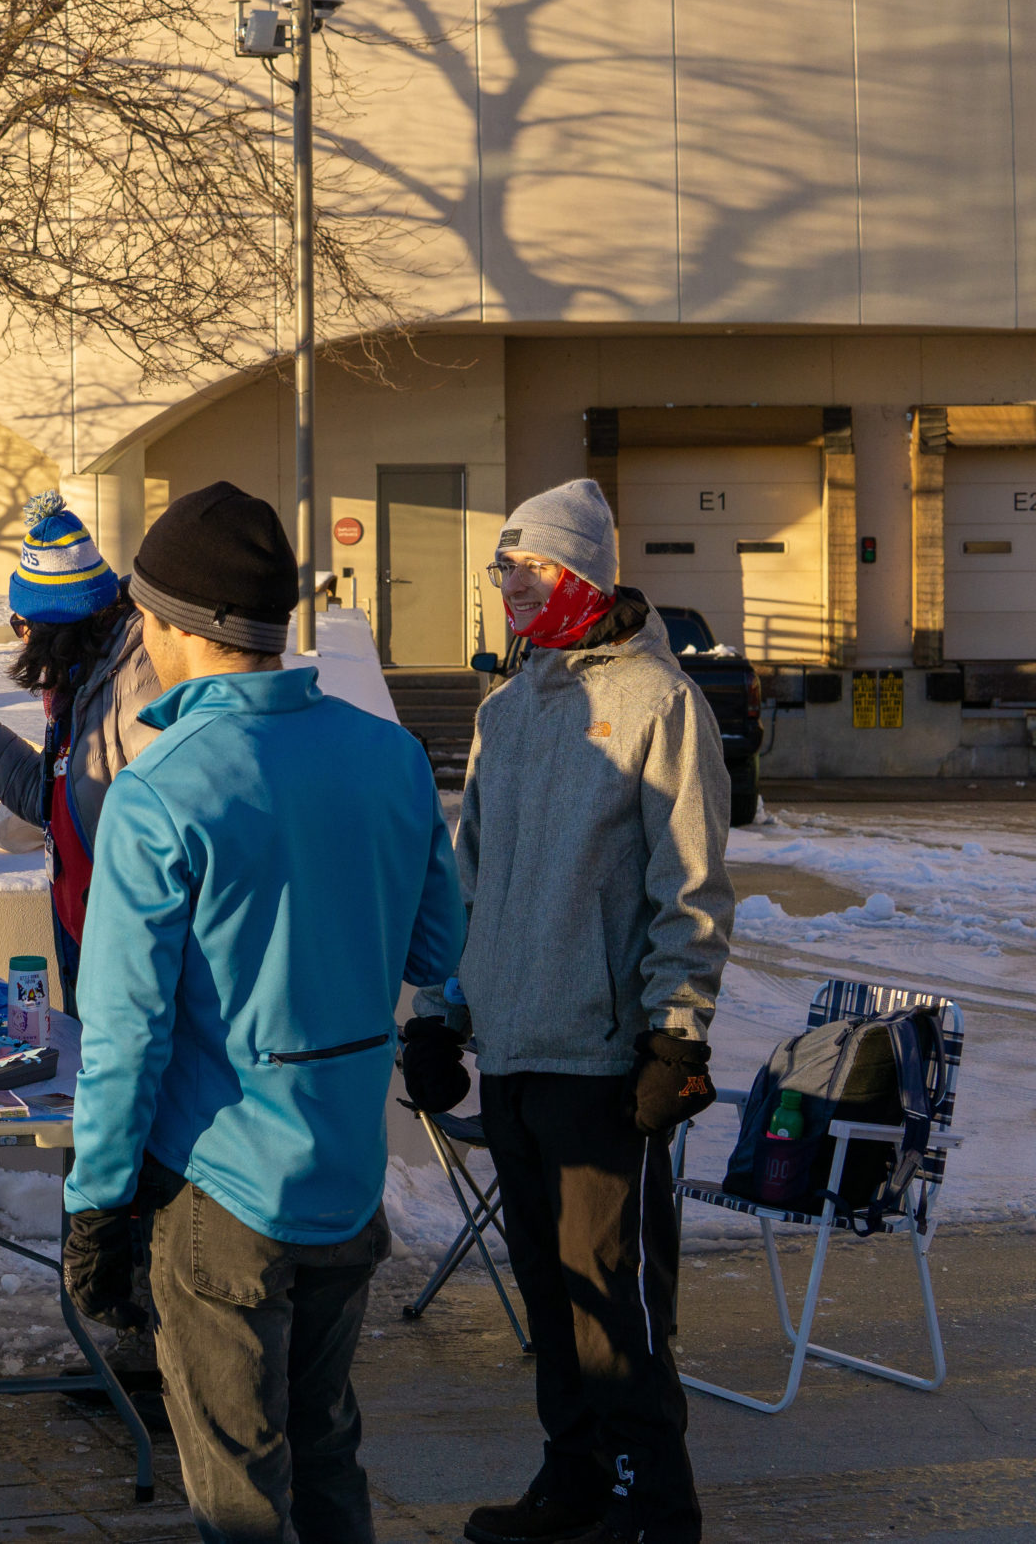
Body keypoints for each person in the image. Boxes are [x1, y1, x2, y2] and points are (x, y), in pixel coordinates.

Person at [60, 481, 464, 1544]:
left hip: (218, 1187)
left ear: (166, 623)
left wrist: (96, 1206)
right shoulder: (389, 757)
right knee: (328, 1444)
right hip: (345, 1171)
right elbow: (438, 950)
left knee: (238, 1492)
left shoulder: (160, 791)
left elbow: (125, 1033)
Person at [401, 478, 731, 1544]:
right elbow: (473, 875)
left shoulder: (656, 705)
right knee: (549, 1295)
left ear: (583, 575)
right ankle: (576, 1479)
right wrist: (442, 1012)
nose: (509, 590)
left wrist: (675, 1033)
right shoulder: (509, 707)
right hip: (514, 1052)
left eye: (527, 570)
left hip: (601, 1059)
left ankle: (651, 1499)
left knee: (615, 1295)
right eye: (502, 572)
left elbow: (689, 886)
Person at [0, 490, 158, 1005]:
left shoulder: (135, 690)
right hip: (93, 957)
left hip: (135, 977)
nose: (20, 639)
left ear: (58, 624)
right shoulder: (82, 684)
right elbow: (56, 804)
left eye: (22, 624)